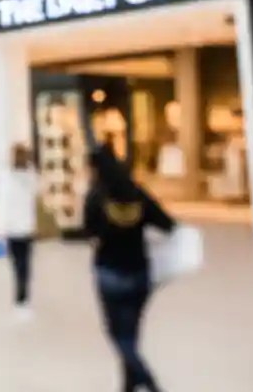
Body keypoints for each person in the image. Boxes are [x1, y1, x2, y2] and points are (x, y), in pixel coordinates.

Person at [83, 146, 175, 392]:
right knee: (131, 334)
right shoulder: (137, 193)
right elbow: (167, 224)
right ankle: (128, 384)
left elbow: (89, 233)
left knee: (118, 336)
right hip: (139, 273)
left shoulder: (95, 196)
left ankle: (147, 380)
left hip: (110, 273)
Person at [0, 142, 38, 321]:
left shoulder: (6, 177)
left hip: (12, 229)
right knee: (25, 264)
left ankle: (19, 297)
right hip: (27, 228)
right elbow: (38, 191)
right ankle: (23, 297)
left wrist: (0, 229)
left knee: (16, 264)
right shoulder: (31, 177)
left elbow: (2, 204)